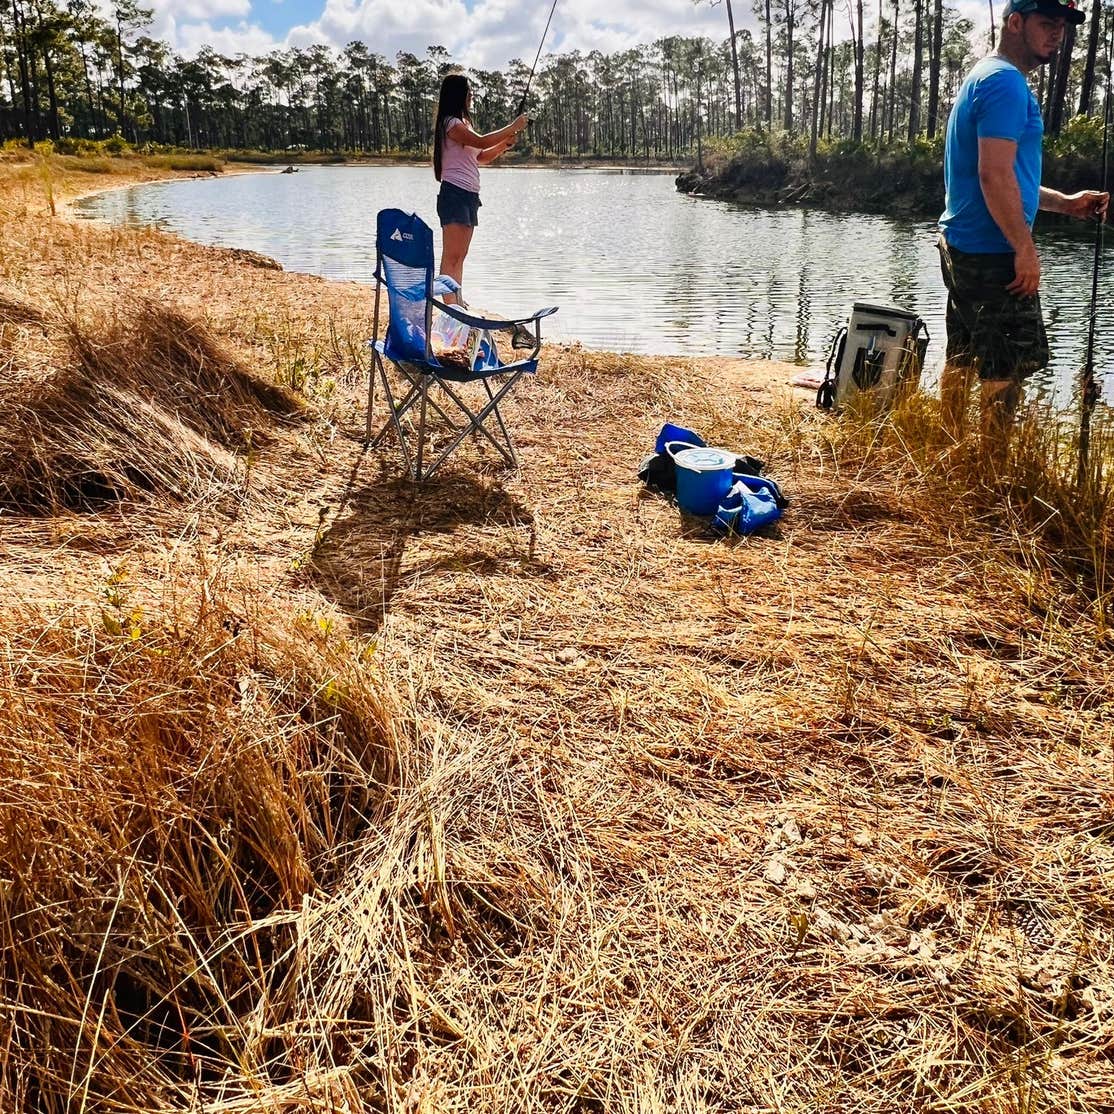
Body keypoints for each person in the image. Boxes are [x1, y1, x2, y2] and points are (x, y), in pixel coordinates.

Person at [937, 0, 1108, 471]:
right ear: (1016, 22)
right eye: (1047, 23)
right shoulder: (1006, 84)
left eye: (1062, 26)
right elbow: (994, 177)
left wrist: (1066, 203)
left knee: (966, 355)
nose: (1057, 34)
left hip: (962, 243)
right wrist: (1024, 249)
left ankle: (944, 450)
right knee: (1005, 370)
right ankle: (991, 475)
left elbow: (1011, 177)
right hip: (993, 253)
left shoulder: (984, 76)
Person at [433, 74, 527, 304]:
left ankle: (457, 298)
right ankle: (450, 304)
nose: (472, 95)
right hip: (454, 193)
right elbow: (483, 141)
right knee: (452, 255)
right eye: (469, 91)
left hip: (469, 195)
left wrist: (504, 145)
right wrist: (512, 127)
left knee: (461, 255)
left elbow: (482, 156)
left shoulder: (464, 125)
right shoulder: (450, 124)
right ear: (459, 95)